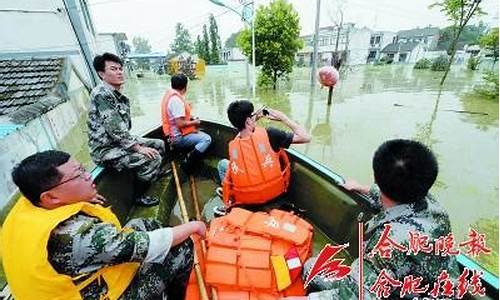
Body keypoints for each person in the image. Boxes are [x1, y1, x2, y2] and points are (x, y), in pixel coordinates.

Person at [1, 150, 206, 300]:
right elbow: (151, 244)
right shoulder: (74, 236)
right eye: (78, 175)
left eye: (83, 169)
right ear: (51, 197)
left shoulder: (28, 208)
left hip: (68, 284)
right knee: (181, 246)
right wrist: (195, 226)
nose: (88, 175)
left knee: (143, 223)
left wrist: (80, 197)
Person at [282, 139, 460, 300]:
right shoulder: (432, 204)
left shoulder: (390, 242)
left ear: (376, 177)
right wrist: (361, 188)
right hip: (423, 289)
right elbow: (393, 195)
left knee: (311, 269)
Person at [88, 53, 166, 206]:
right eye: (113, 69)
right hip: (105, 150)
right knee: (153, 157)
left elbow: (122, 130)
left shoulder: (114, 94)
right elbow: (116, 128)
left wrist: (137, 146)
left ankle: (152, 174)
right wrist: (137, 148)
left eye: (120, 68)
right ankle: (139, 196)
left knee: (159, 144)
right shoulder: (101, 94)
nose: (119, 72)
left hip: (117, 143)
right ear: (101, 74)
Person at [217, 100, 311, 209]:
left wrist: (251, 119)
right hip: (275, 193)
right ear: (248, 121)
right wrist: (283, 118)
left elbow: (243, 135)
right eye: (252, 116)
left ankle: (230, 200)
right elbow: (306, 137)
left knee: (222, 164)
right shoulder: (270, 134)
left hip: (247, 201)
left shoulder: (233, 145)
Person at [161, 73, 212, 170]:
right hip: (177, 138)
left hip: (172, 135)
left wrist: (190, 117)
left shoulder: (171, 95)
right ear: (185, 86)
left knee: (199, 132)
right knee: (206, 139)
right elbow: (180, 124)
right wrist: (195, 122)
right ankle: (188, 162)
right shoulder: (176, 100)